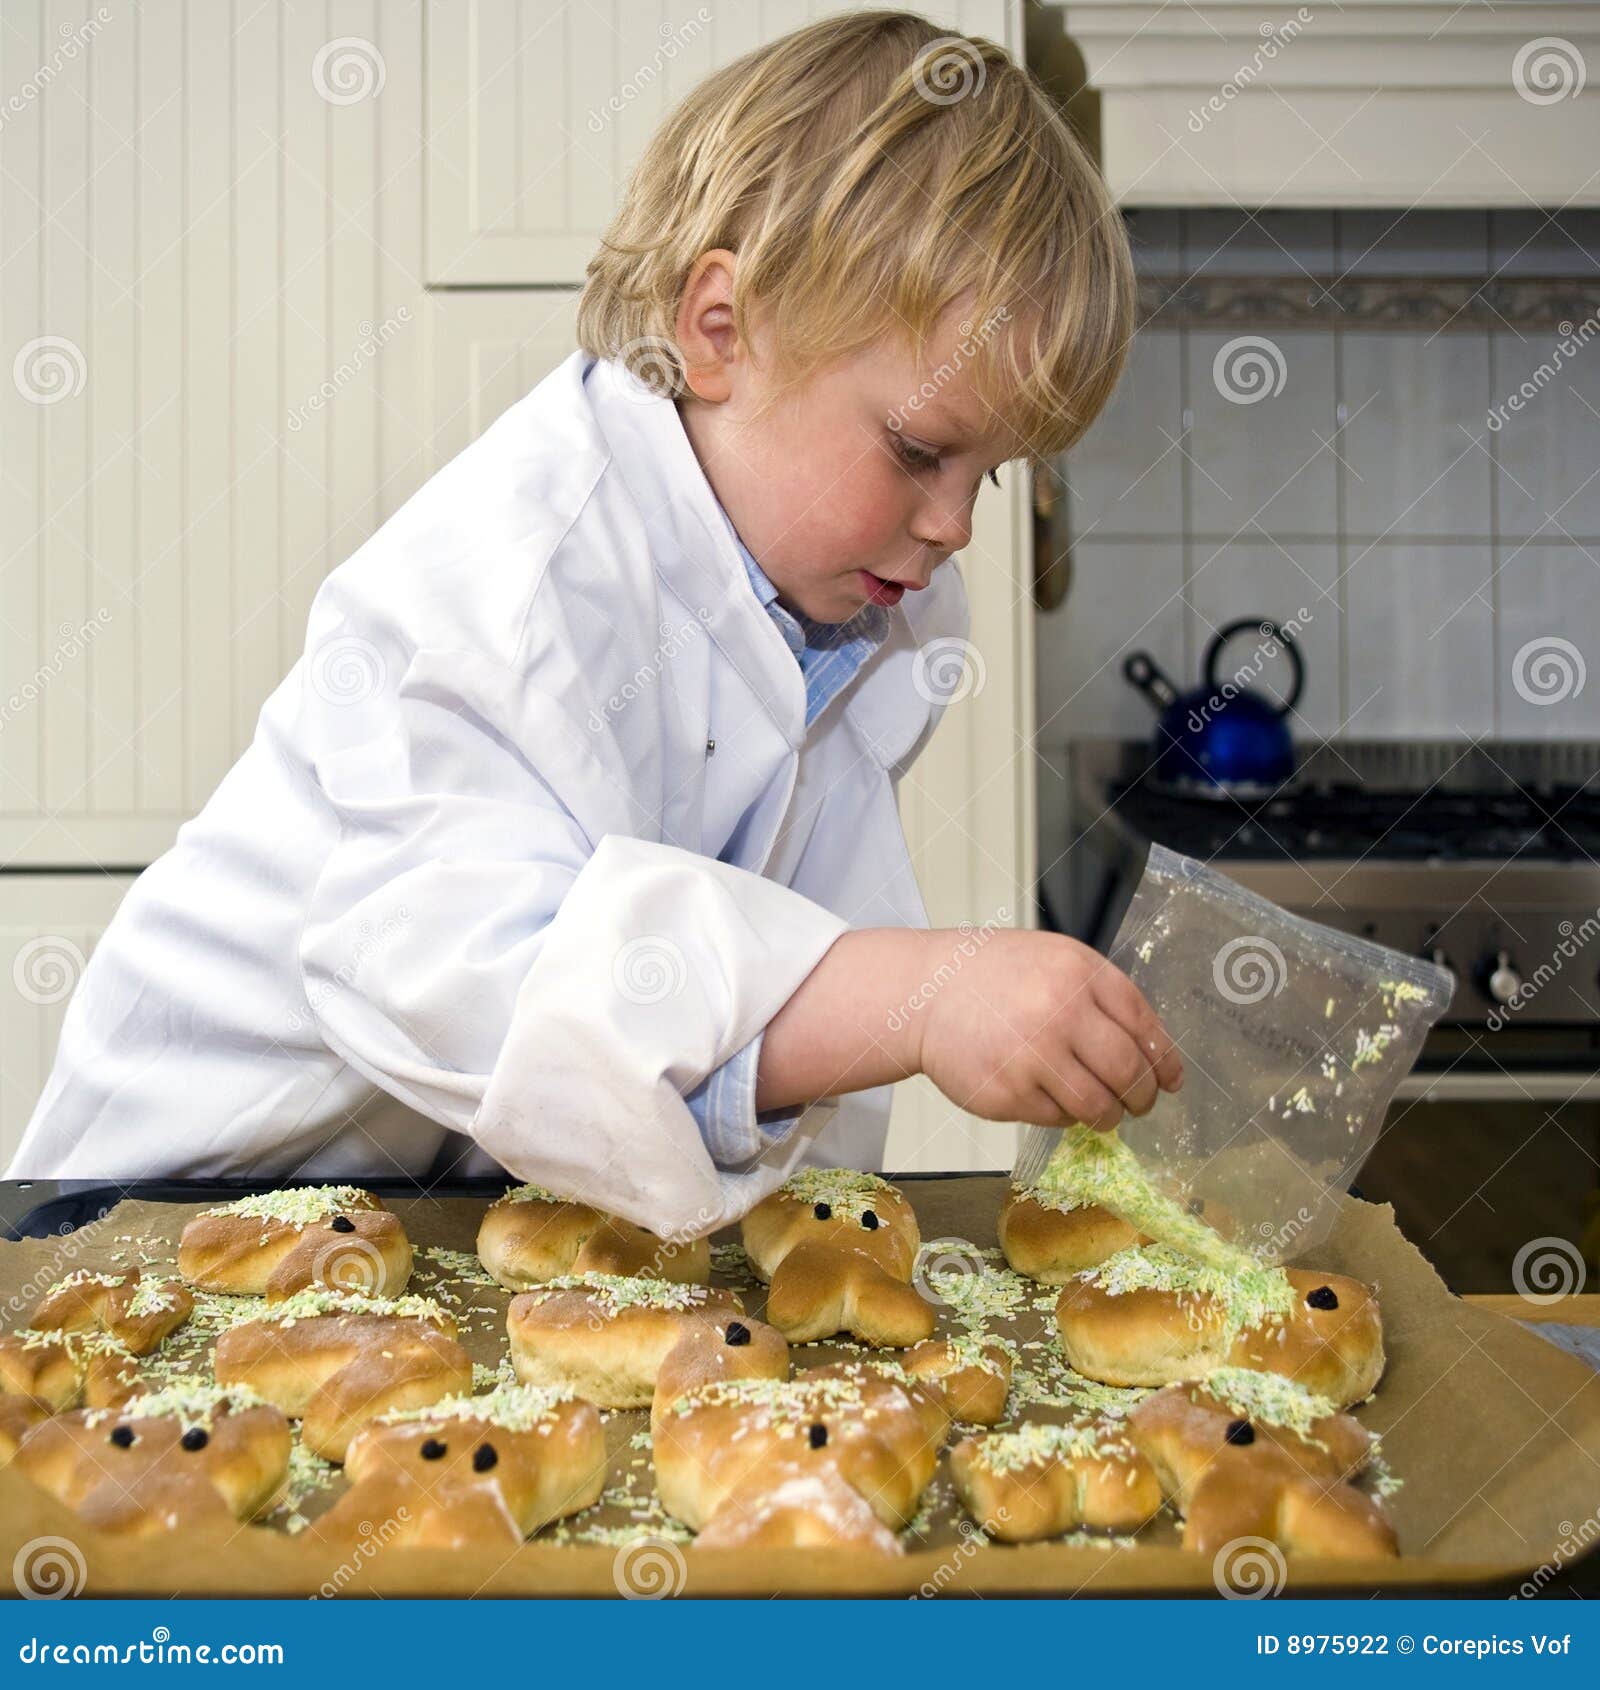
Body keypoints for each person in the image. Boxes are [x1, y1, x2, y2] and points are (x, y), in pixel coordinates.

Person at [8, 10, 1181, 1237]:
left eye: (988, 473)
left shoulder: (856, 598)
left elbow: (748, 958)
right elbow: (481, 986)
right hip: (155, 1204)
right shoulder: (514, 577)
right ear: (719, 330)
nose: (954, 525)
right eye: (918, 450)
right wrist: (918, 998)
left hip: (431, 1212)